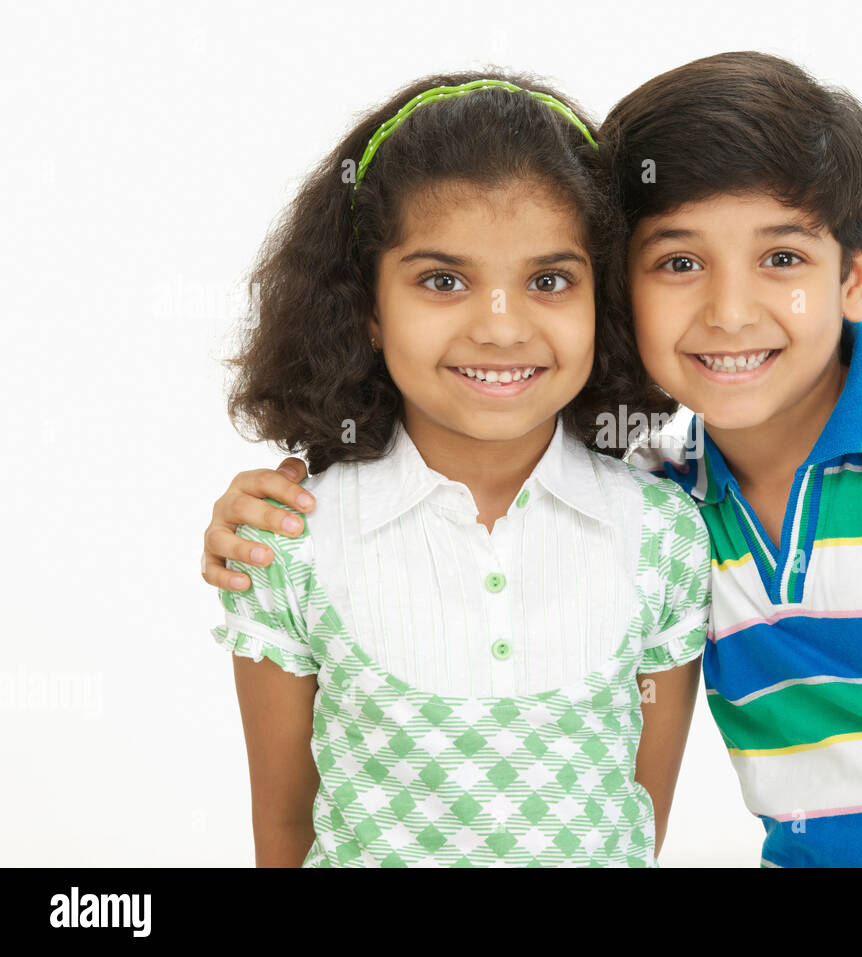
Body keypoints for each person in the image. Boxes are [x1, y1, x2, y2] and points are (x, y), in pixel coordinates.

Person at [205, 52, 862, 867]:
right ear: (621, 291)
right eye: (679, 262)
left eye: (781, 258)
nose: (730, 310)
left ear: (854, 274)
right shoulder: (674, 506)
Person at [208, 70, 710, 867]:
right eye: (444, 281)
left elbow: (639, 828)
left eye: (548, 281)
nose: (501, 328)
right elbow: (283, 832)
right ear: (368, 309)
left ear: (602, 298)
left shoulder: (664, 536)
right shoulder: (288, 542)